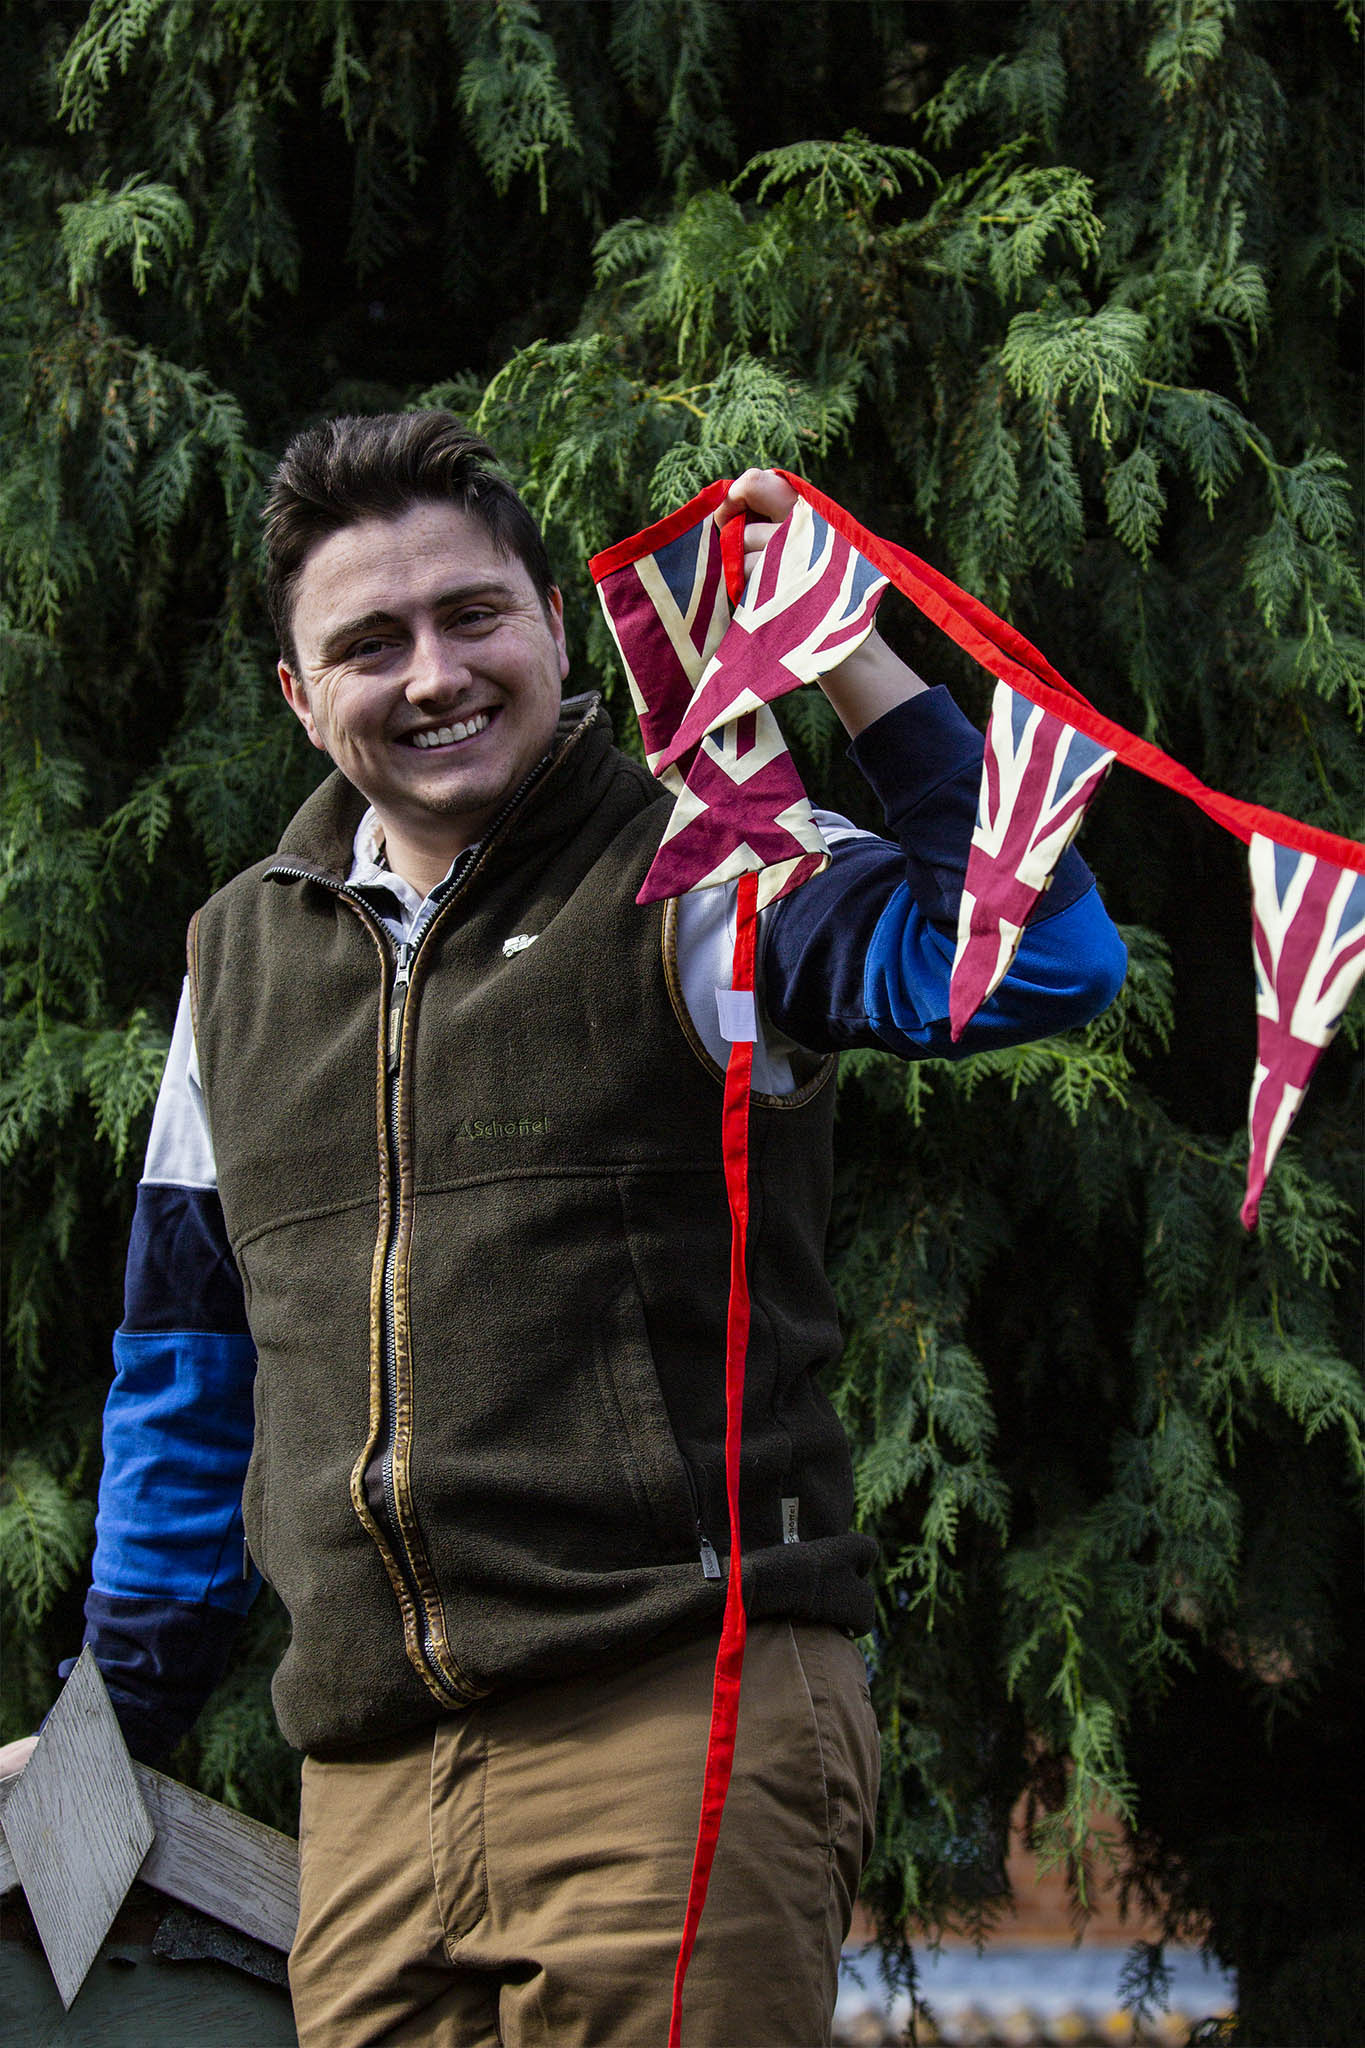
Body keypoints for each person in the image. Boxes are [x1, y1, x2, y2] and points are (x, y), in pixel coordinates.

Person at [14, 413, 1126, 2046]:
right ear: (300, 700)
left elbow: (1037, 967)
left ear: (552, 618)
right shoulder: (234, 963)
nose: (434, 673)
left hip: (674, 1712)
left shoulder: (708, 870)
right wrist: (92, 1751)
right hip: (374, 1780)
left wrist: (849, 658)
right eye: (369, 643)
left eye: (474, 615)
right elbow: (186, 1384)